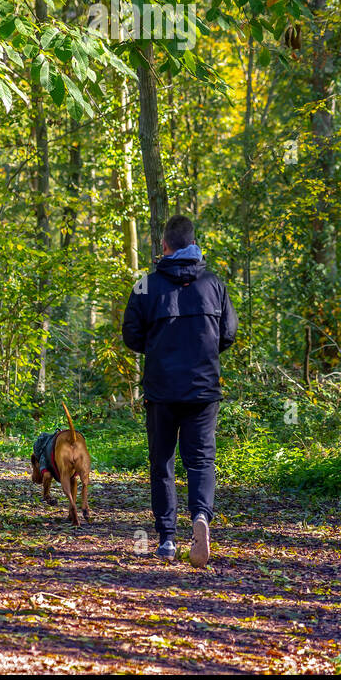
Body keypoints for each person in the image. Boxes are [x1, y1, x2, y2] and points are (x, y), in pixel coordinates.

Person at [121, 214, 238, 567]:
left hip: (161, 390)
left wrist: (159, 349)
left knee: (162, 462)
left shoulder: (146, 285)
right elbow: (228, 333)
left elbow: (131, 335)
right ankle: (201, 517)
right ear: (193, 242)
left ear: (165, 245)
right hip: (203, 388)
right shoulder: (214, 283)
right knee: (201, 460)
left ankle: (167, 538)